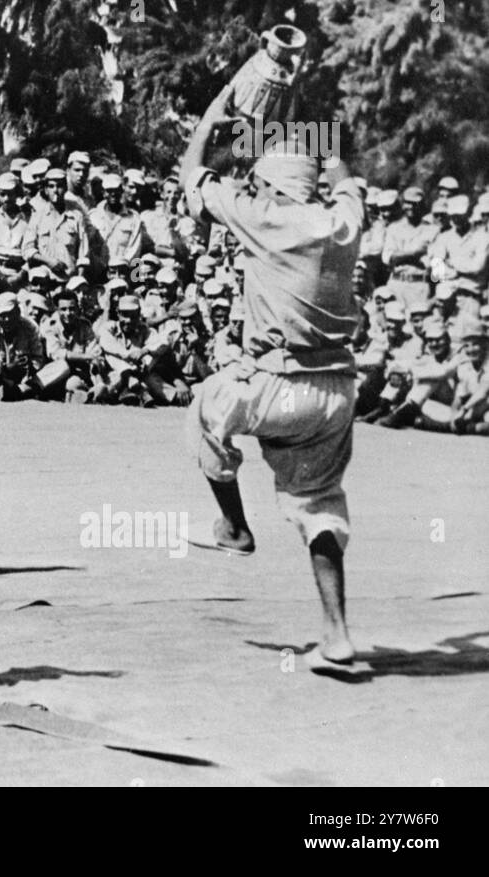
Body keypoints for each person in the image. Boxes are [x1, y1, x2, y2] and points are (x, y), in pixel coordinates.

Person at [180, 86, 364, 674]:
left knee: (207, 408)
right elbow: (341, 172)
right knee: (318, 506)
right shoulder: (343, 222)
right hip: (336, 393)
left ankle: (234, 527)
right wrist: (319, 132)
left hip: (277, 385)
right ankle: (336, 636)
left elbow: (194, 169)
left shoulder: (262, 216)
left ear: (270, 185)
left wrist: (222, 108)